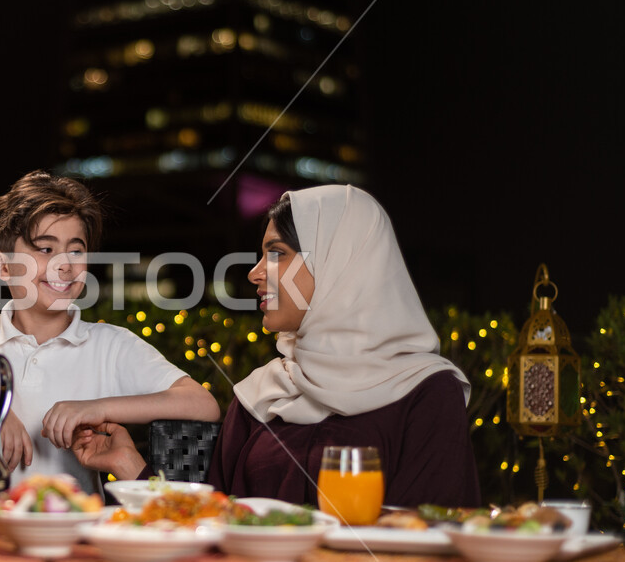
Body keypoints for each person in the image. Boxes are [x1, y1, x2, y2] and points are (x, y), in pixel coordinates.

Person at [72, 184, 481, 508]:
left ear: (340, 264)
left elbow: (426, 538)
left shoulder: (425, 392)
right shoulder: (262, 393)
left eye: (276, 253)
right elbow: (215, 518)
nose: (254, 273)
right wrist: (129, 464)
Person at [0, 170, 220, 493]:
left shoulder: (109, 346)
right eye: (45, 249)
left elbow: (202, 404)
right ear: (2, 266)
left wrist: (96, 407)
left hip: (80, 537)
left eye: (76, 250)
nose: (65, 265)